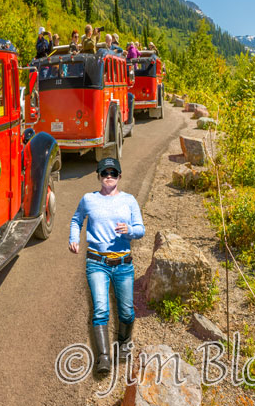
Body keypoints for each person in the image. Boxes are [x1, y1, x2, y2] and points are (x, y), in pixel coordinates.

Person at [68, 157, 145, 375]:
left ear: (119, 176)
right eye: (104, 173)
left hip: (123, 263)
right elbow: (76, 220)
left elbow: (140, 229)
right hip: (96, 262)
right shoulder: (88, 199)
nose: (108, 177)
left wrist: (129, 230)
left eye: (113, 173)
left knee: (127, 312)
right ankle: (102, 358)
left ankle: (123, 342)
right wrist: (74, 237)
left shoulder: (129, 201)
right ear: (99, 176)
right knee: (101, 309)